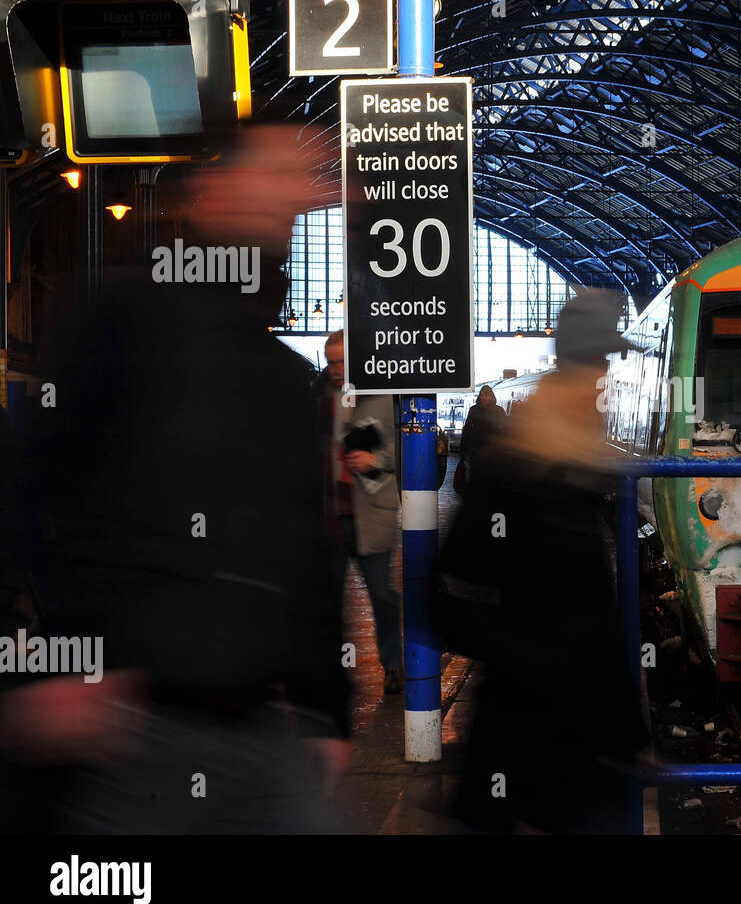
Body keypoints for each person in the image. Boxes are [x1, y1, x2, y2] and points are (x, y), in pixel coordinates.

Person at [5, 124, 351, 833]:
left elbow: (307, 551)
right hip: (127, 723)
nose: (295, 196)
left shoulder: (284, 376)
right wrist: (47, 667)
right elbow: (28, 492)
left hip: (257, 722)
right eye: (278, 175)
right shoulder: (118, 321)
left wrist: (325, 706)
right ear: (212, 190)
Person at [428, 290, 649, 834]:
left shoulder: (575, 472)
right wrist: (536, 658)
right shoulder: (517, 471)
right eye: (598, 366)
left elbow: (595, 619)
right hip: (530, 743)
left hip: (581, 745)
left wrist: (628, 730)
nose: (604, 384)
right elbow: (446, 596)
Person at [321, 330, 403, 695]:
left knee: (382, 597)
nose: (335, 369)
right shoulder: (319, 397)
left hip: (369, 514)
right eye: (330, 362)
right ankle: (330, 671)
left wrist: (375, 459)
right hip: (330, 516)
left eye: (341, 361)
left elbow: (407, 452)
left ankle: (394, 665)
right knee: (328, 601)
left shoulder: (383, 397)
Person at [454, 384, 506, 493]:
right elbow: (467, 430)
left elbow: (505, 431)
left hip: (493, 452)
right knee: (476, 476)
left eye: (485, 395)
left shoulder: (499, 411)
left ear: (491, 396)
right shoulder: (474, 410)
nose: (483, 397)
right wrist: (463, 450)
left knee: (491, 477)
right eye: (481, 395)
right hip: (476, 451)